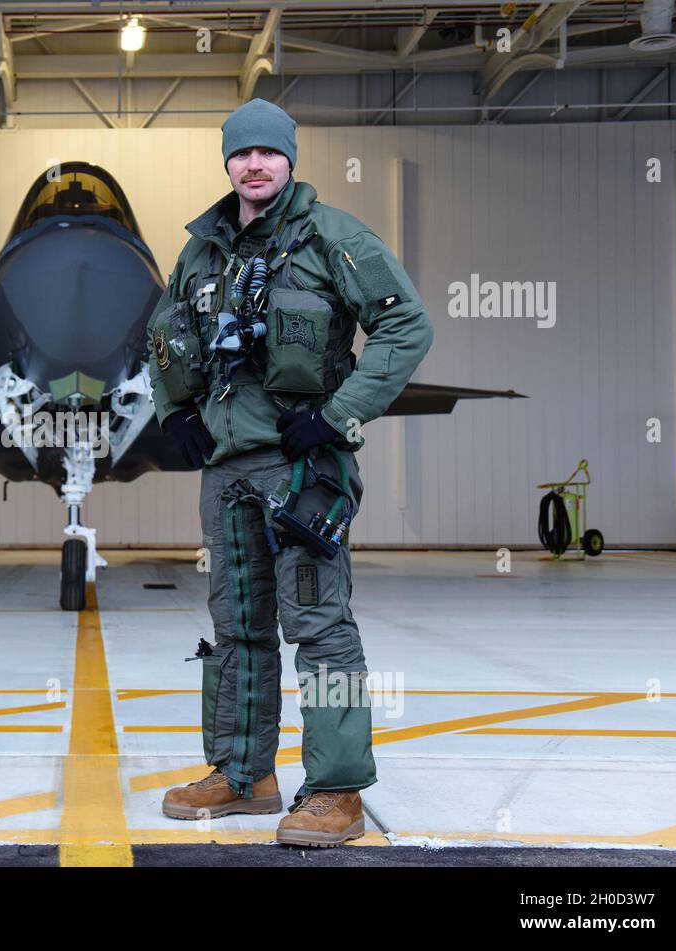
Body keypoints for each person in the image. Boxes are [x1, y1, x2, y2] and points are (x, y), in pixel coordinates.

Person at [145, 98, 433, 846]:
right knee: (236, 629)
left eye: (269, 153)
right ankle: (243, 774)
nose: (256, 164)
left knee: (320, 625)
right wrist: (173, 411)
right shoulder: (201, 250)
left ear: (289, 160)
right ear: (228, 163)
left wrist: (339, 413)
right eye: (242, 154)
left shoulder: (331, 236)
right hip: (226, 469)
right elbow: (165, 336)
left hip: (301, 464)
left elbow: (407, 325)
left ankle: (337, 791)